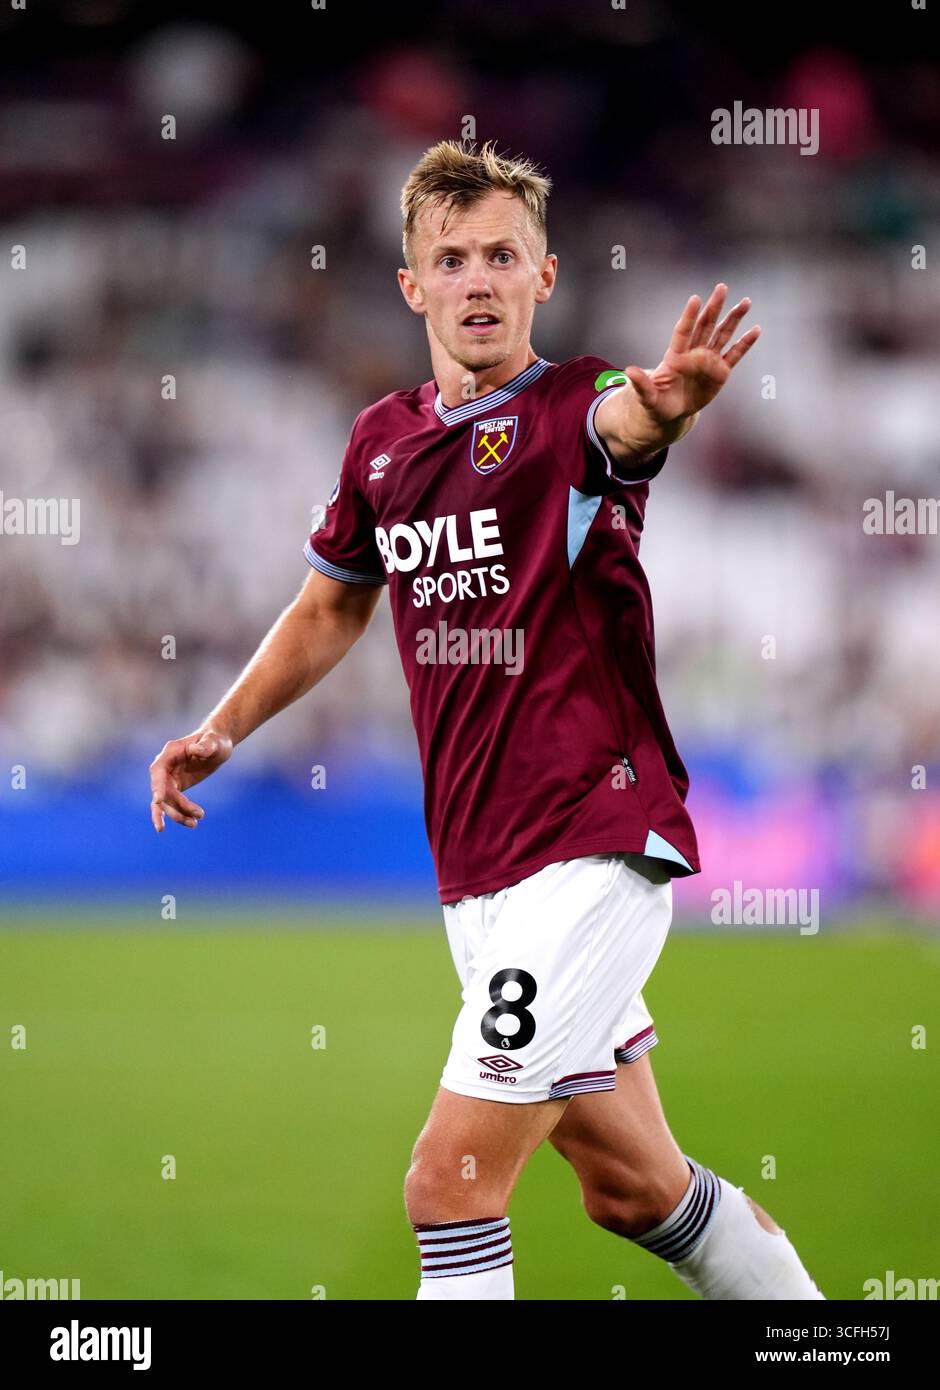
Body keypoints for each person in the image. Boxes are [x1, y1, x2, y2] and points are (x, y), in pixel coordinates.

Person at [149, 139, 824, 1301]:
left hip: (588, 846)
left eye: (501, 256)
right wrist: (223, 727)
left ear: (542, 277)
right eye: (450, 258)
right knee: (633, 1190)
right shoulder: (382, 443)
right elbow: (331, 602)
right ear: (412, 285)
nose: (477, 279)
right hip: (479, 872)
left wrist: (663, 412)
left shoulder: (575, 411)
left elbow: (629, 428)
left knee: (449, 1179)